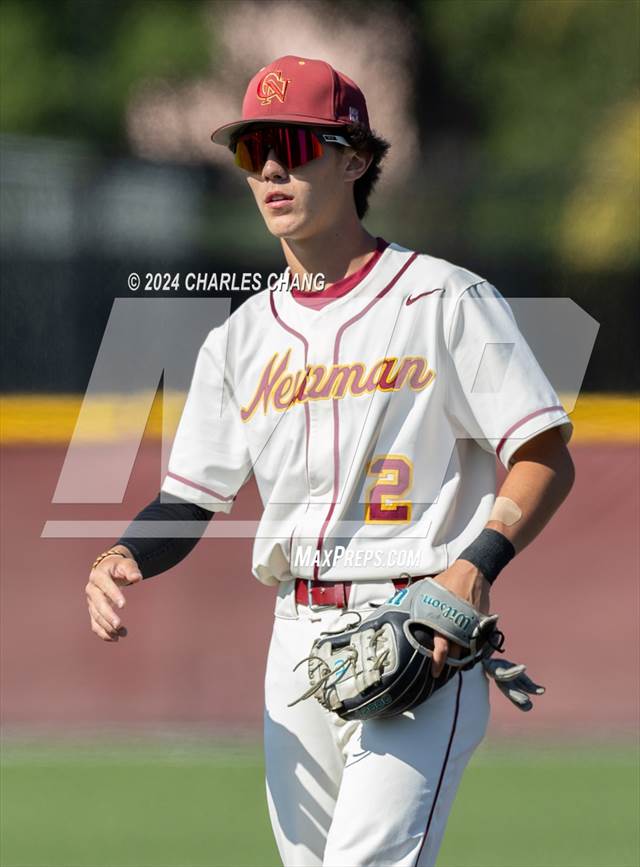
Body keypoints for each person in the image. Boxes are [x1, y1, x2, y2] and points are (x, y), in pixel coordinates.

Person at [85, 55, 575, 866]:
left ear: (356, 159)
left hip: (419, 626)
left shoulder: (442, 299)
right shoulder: (240, 338)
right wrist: (122, 551)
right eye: (253, 151)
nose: (271, 170)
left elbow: (543, 452)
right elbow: (188, 498)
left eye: (294, 145)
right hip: (296, 646)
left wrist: (476, 563)